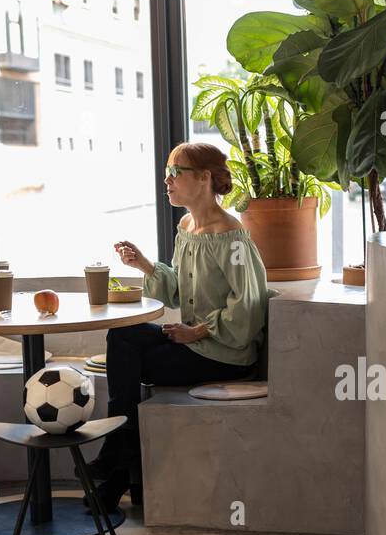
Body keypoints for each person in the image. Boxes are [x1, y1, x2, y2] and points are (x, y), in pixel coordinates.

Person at [88, 142, 269, 511]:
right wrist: (145, 266)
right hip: (192, 342)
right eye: (166, 173)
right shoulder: (186, 226)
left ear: (203, 178)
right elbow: (177, 295)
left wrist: (198, 331)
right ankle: (116, 466)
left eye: (175, 173)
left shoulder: (231, 237)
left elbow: (249, 308)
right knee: (122, 335)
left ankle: (114, 466)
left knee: (132, 365)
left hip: (225, 353)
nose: (167, 181)